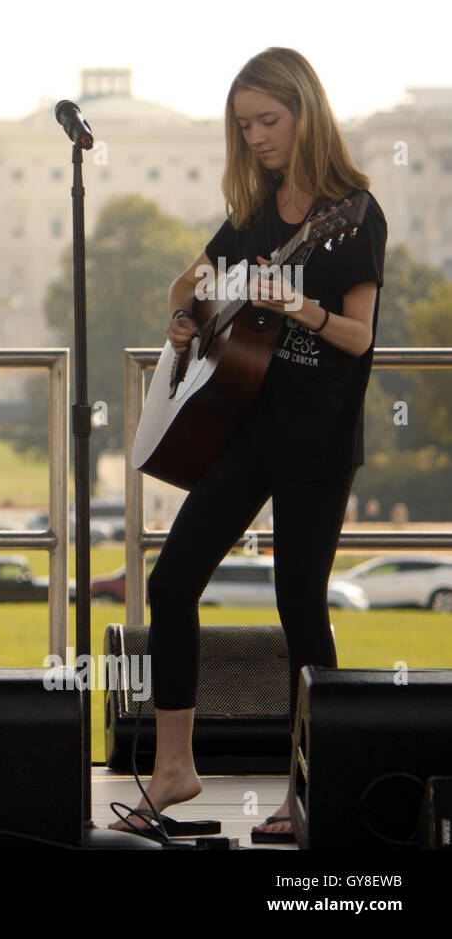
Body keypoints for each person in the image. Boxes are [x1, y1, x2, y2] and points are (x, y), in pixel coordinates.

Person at [108, 47, 386, 842]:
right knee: (171, 581)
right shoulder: (257, 211)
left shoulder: (353, 213)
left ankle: (312, 791)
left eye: (269, 121)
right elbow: (186, 282)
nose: (257, 137)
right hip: (247, 423)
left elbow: (359, 338)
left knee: (299, 606)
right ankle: (173, 770)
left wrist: (298, 308)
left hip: (318, 437)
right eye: (245, 126)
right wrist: (188, 314)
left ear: (306, 112)